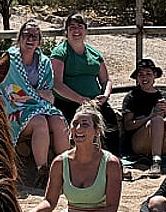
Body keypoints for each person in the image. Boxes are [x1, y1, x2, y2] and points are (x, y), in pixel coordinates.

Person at [24, 102, 123, 212]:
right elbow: (49, 202)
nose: (78, 129)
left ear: (96, 131)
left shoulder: (110, 163)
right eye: (75, 124)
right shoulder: (60, 162)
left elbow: (111, 207)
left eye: (84, 125)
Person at [0, 20, 69, 187]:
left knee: (59, 121)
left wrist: (31, 96)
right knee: (40, 122)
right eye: (26, 35)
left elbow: (48, 93)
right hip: (13, 109)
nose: (30, 39)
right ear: (19, 37)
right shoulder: (9, 61)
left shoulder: (44, 63)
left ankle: (67, 171)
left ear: (39, 41)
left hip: (39, 107)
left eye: (34, 36)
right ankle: (42, 172)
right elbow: (4, 90)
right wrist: (34, 95)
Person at [50, 12, 120, 154]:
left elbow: (106, 80)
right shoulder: (60, 52)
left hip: (95, 101)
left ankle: (115, 161)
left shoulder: (94, 53)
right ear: (66, 31)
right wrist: (80, 100)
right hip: (69, 102)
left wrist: (105, 96)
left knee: (111, 123)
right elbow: (57, 84)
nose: (76, 31)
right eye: (72, 27)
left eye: (80, 26)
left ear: (85, 30)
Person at [120, 57, 166, 174]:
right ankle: (156, 162)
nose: (145, 78)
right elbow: (127, 126)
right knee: (157, 120)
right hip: (140, 143)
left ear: (154, 76)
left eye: (148, 74)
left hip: (164, 143)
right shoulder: (132, 97)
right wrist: (150, 117)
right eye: (141, 75)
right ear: (137, 78)